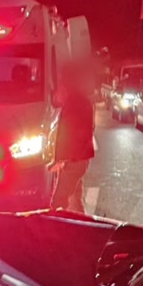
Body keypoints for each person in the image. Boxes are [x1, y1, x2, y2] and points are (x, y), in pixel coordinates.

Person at [49, 62, 96, 213]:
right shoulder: (79, 100)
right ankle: (84, 230)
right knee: (75, 200)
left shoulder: (76, 102)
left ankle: (60, 232)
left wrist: (61, 160)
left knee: (59, 202)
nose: (62, 82)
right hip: (78, 159)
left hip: (74, 160)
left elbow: (70, 133)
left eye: (64, 79)